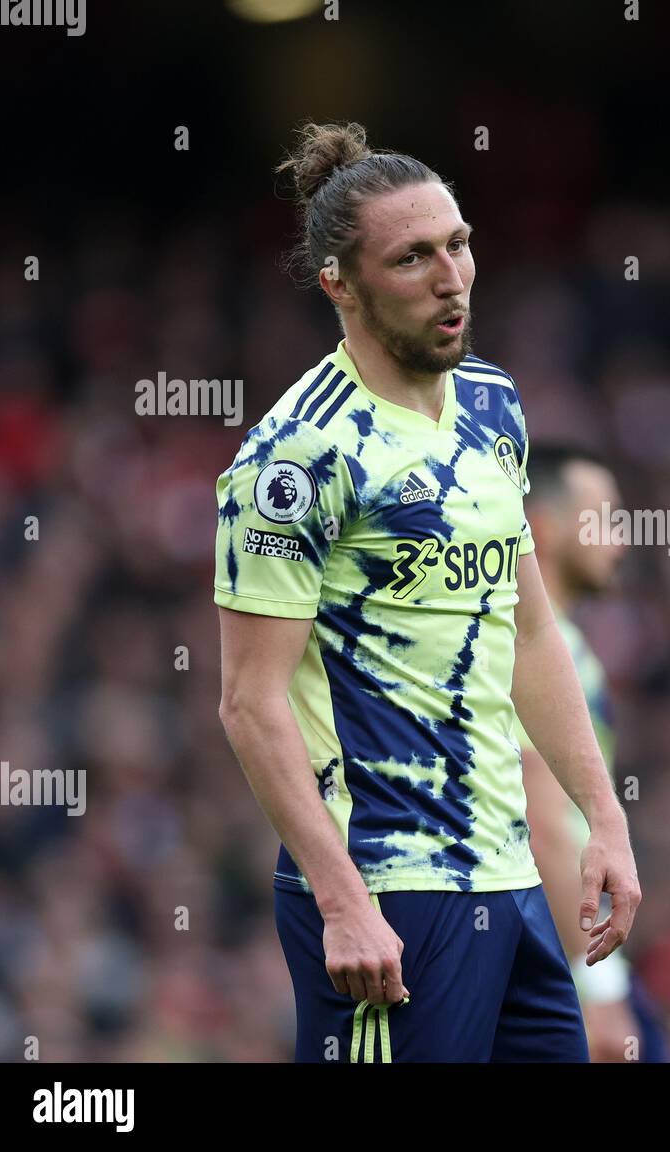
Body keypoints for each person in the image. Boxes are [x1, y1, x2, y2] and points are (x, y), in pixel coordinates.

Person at [213, 121, 639, 1063]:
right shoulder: (297, 457)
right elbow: (250, 701)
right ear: (340, 282)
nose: (452, 277)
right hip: (388, 890)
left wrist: (601, 819)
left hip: (513, 879)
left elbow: (529, 631)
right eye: (413, 258)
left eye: (460, 243)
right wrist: (342, 902)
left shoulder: (492, 405)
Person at [515, 444, 670, 1062]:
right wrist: (597, 984)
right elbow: (545, 824)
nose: (622, 538)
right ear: (543, 528)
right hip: (557, 957)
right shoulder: (542, 658)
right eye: (603, 517)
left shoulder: (562, 647)